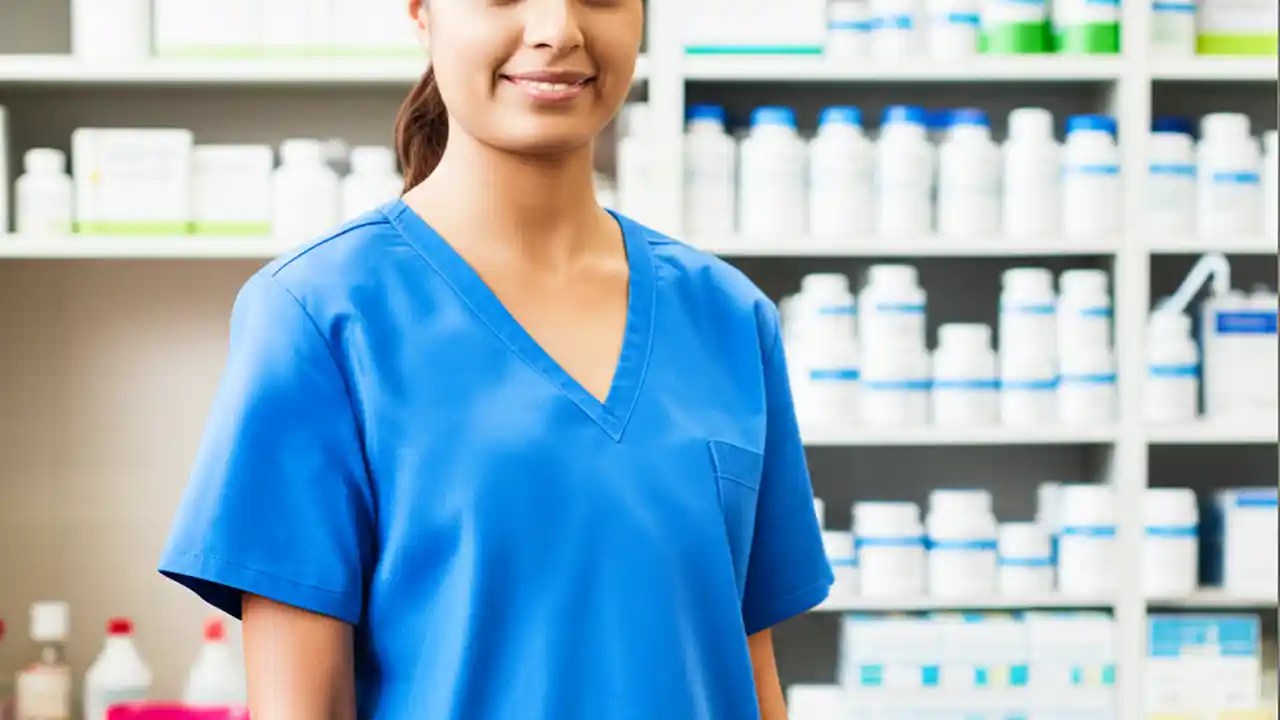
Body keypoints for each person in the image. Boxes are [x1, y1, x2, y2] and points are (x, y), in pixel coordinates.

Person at [157, 0, 832, 718]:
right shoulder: (320, 312)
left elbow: (750, 673)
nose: (558, 30)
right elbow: (304, 706)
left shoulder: (728, 316)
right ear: (422, 13)